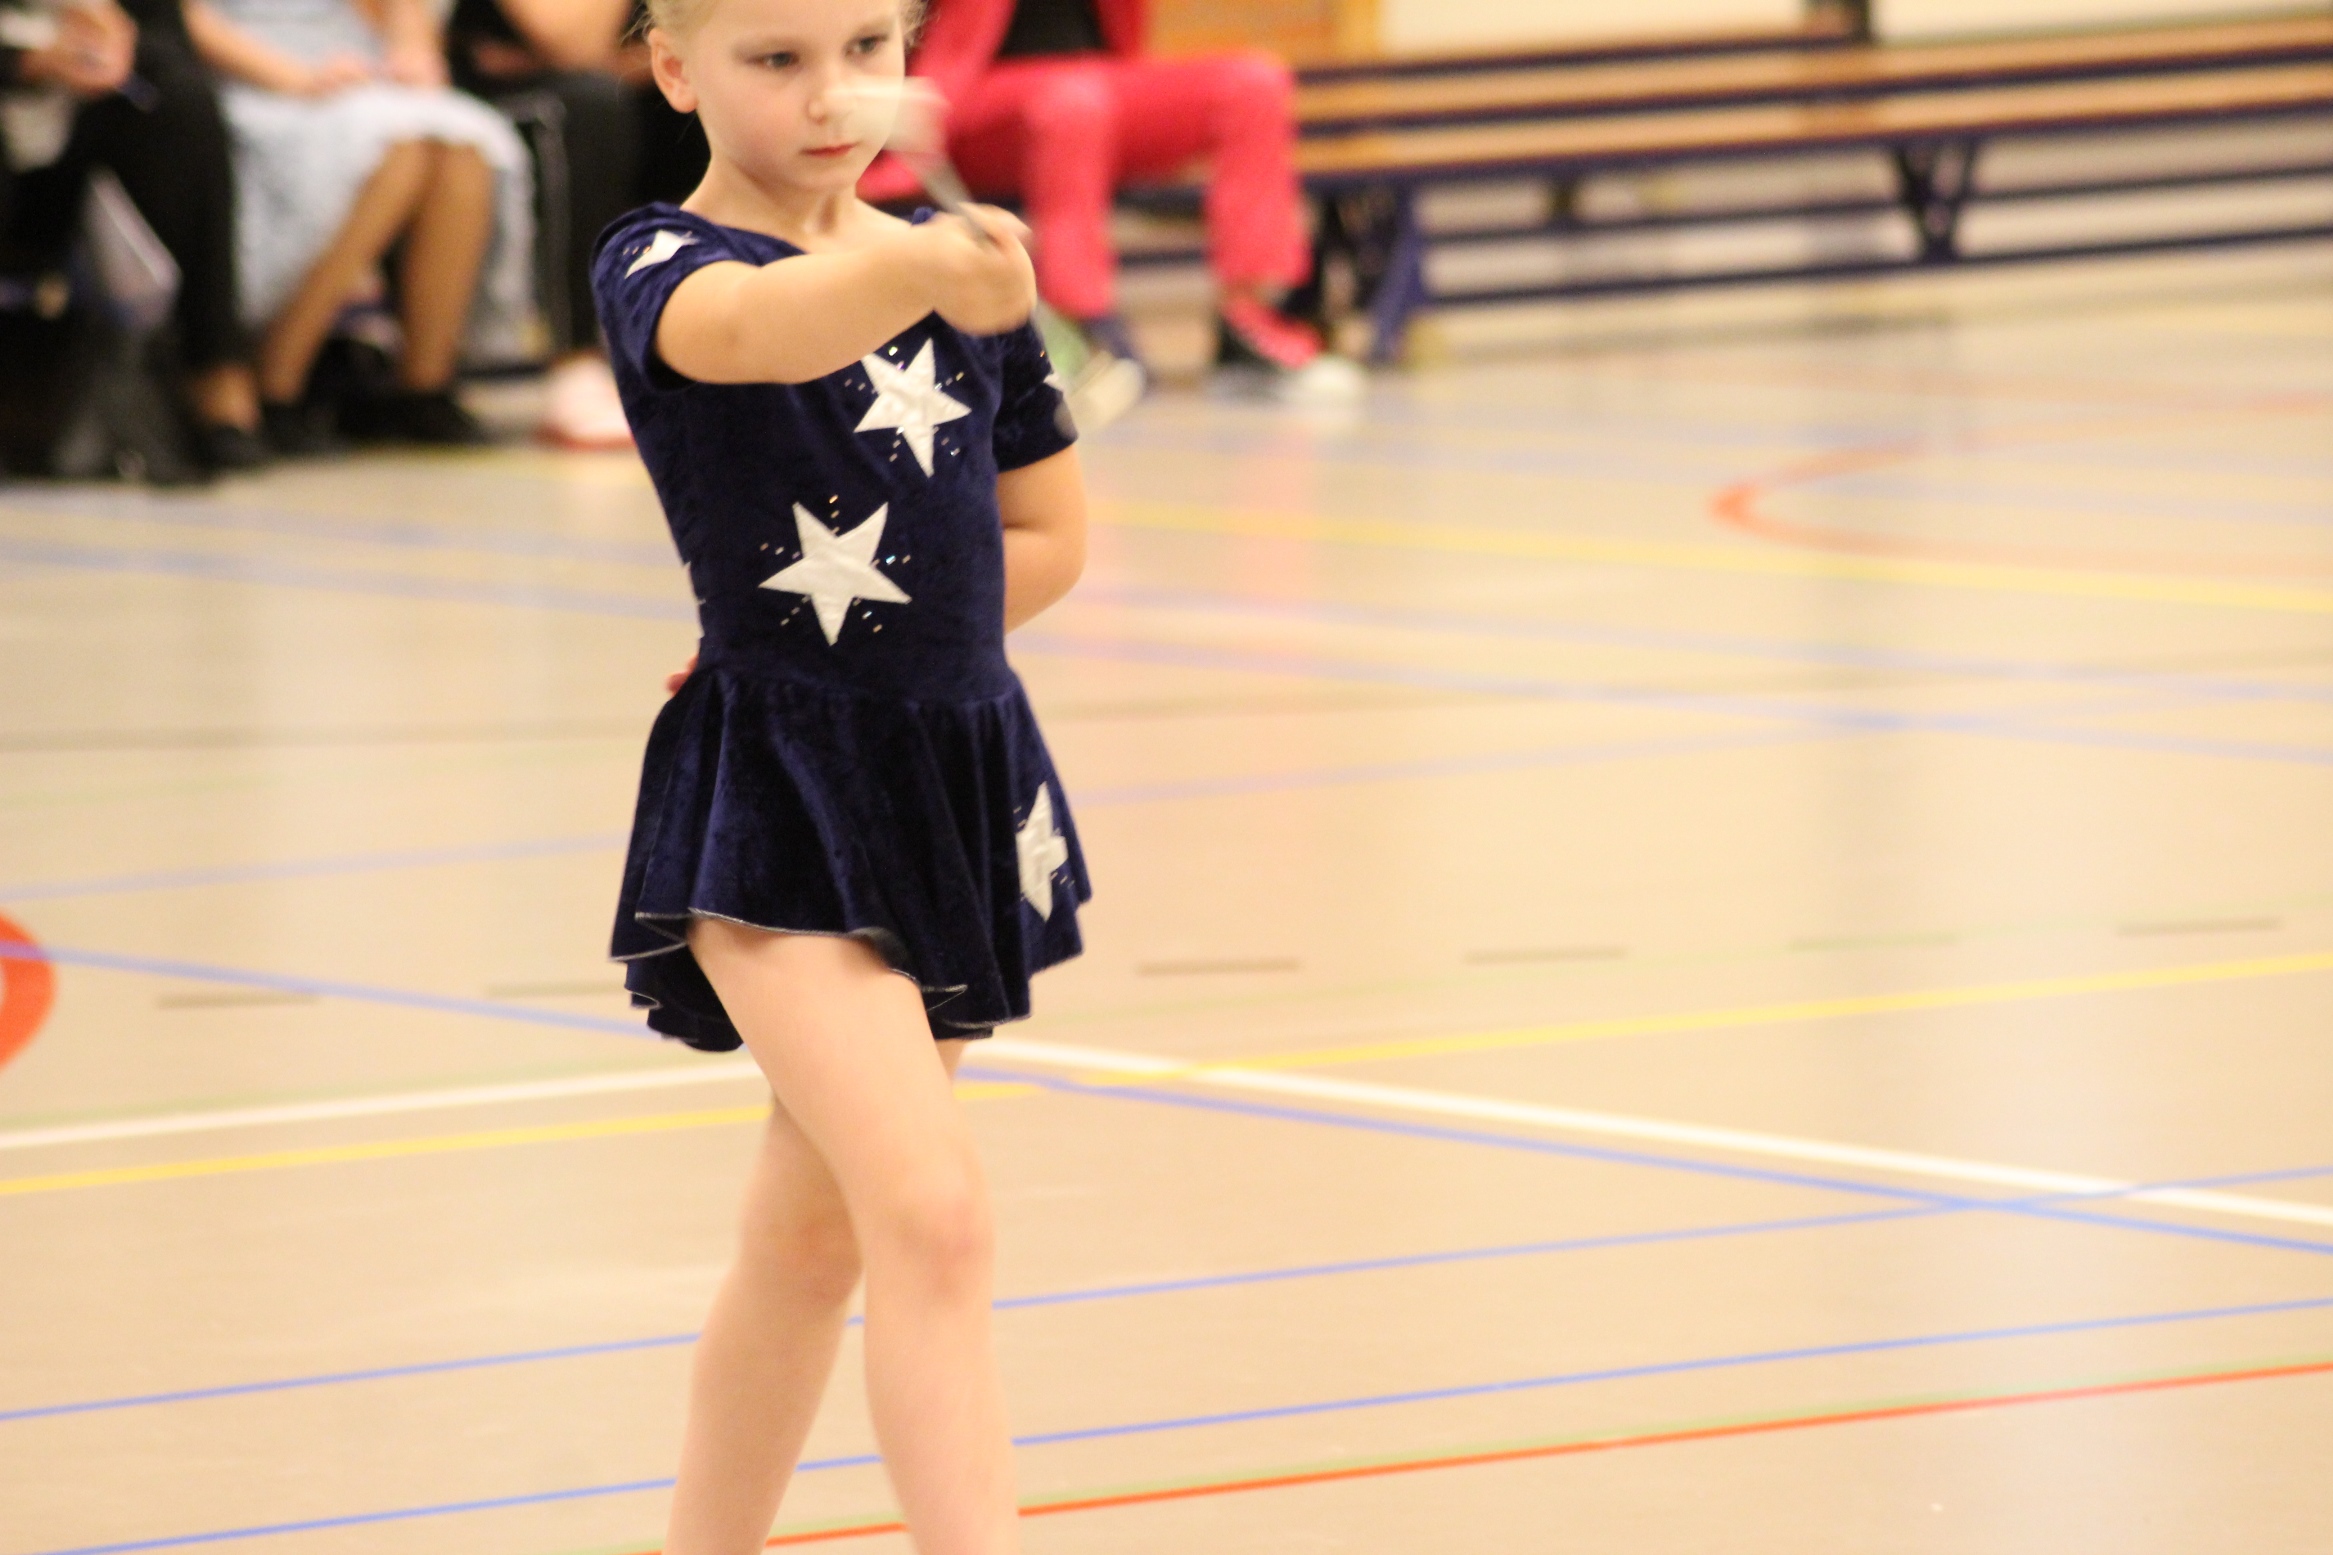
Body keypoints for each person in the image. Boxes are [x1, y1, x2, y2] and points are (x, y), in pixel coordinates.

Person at [593, 0, 1089, 1545]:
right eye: (777, 59)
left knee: (811, 1242)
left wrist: (906, 647)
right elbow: (766, 332)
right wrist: (922, 260)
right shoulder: (660, 266)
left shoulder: (956, 276)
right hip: (780, 798)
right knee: (932, 1217)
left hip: (952, 781)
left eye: (869, 50)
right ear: (676, 68)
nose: (833, 97)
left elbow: (1053, 536)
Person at [872, 0, 1352, 395]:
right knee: (1074, 103)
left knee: (1253, 84)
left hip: (1097, 84)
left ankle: (1246, 322)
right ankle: (1086, 328)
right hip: (967, 102)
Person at [186, 0, 535, 447]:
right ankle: (277, 380)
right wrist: (296, 77)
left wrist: (414, 55)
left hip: (350, 65)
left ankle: (425, 383)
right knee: (395, 152)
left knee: (464, 146)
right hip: (247, 75)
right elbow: (183, 19)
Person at [2, 0, 267, 467]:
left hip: (68, 126)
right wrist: (25, 60)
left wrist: (116, 42)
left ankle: (213, 368)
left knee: (185, 101)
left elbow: (169, 31)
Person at [445, 0, 709, 447]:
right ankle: (574, 364)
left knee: (715, 98)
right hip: (505, 97)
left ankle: (705, 344)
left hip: (614, 79)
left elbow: (715, 39)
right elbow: (574, 45)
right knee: (587, 107)